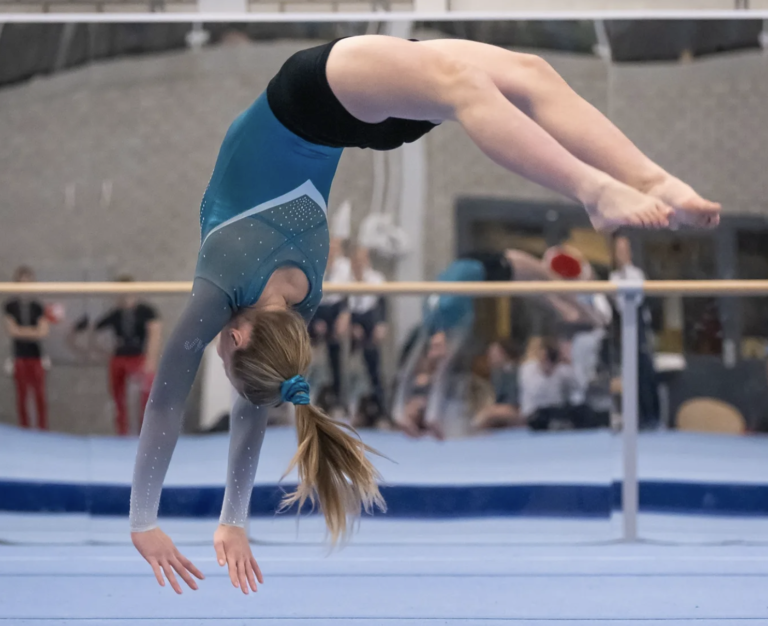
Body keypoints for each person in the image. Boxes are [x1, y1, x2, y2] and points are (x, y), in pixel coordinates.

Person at [129, 35, 720, 595]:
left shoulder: (301, 300)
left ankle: (651, 180)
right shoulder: (221, 285)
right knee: (477, 86)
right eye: (224, 355)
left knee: (526, 75)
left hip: (362, 118)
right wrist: (144, 521)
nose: (215, 346)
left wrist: (234, 517)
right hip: (316, 96)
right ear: (232, 334)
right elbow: (169, 401)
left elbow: (247, 403)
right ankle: (598, 190)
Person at [69, 276, 162, 436]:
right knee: (119, 399)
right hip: (119, 358)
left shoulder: (146, 311)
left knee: (145, 398)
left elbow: (155, 333)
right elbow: (93, 330)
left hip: (139, 358)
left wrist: (151, 360)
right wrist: (101, 351)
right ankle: (122, 433)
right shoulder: (115, 314)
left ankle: (145, 433)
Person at [609, 235, 660, 428]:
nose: (621, 254)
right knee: (627, 376)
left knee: (645, 374)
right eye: (618, 250)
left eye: (624, 249)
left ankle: (651, 417)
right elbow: (618, 305)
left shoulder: (637, 274)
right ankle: (632, 417)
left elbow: (635, 301)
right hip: (621, 329)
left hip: (638, 329)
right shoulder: (613, 277)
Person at [308, 236, 352, 412]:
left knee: (336, 357)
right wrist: (314, 320)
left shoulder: (345, 267)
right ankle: (311, 395)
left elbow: (348, 297)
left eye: (335, 248)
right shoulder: (314, 261)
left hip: (336, 309)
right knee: (310, 358)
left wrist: (344, 315)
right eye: (329, 247)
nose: (332, 251)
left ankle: (337, 397)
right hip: (317, 307)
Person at [3, 266, 49, 430]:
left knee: (40, 396)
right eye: (21, 283)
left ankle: (42, 428)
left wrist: (23, 331)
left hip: (36, 355)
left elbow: (42, 332)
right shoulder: (10, 306)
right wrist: (32, 331)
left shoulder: (38, 306)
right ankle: (24, 429)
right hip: (19, 356)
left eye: (28, 283)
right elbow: (12, 331)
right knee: (22, 396)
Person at [348, 246, 389, 427]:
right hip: (354, 326)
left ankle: (380, 411)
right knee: (353, 371)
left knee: (375, 370)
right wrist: (351, 324)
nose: (360, 263)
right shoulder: (346, 280)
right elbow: (343, 306)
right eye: (356, 260)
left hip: (371, 324)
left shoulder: (377, 279)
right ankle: (356, 411)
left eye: (363, 259)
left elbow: (382, 304)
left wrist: (381, 324)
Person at [472, 339, 524, 430]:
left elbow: (513, 401)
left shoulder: (514, 371)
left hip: (517, 409)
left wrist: (494, 409)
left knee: (488, 414)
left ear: (503, 354)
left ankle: (471, 428)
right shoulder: (496, 373)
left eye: (493, 353)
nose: (490, 356)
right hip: (502, 408)